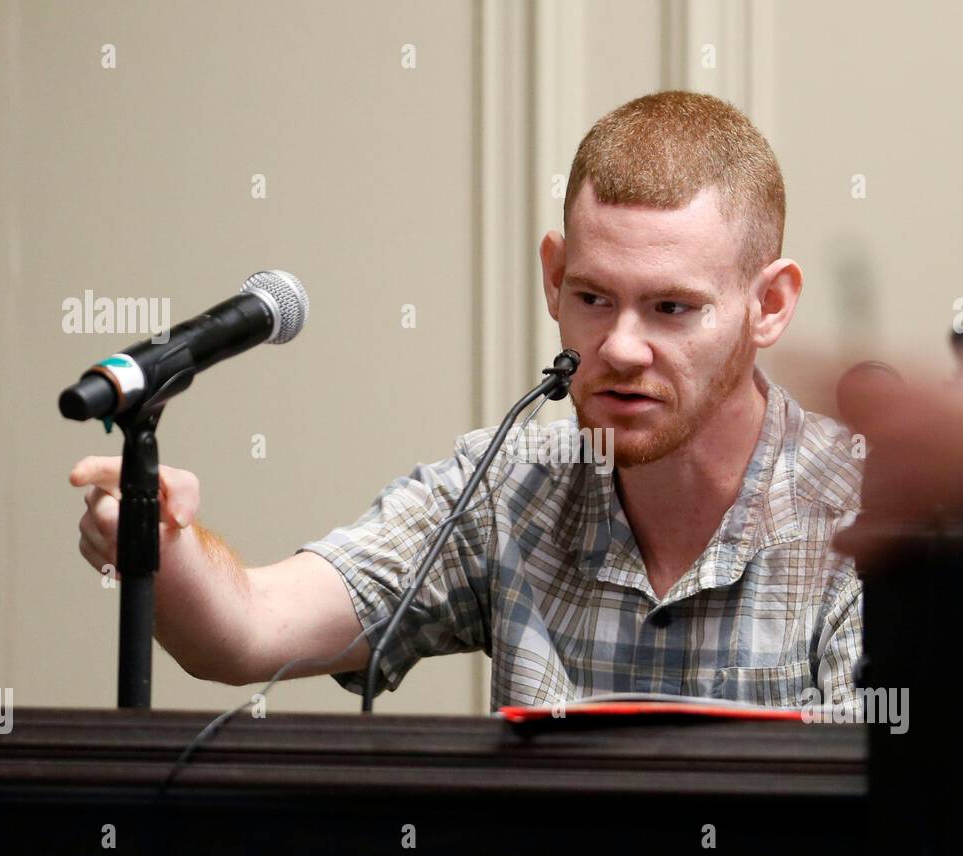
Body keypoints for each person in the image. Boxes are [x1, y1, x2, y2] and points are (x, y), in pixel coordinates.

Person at [70, 91, 864, 710]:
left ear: (769, 305)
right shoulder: (508, 485)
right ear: (552, 276)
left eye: (672, 308)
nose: (620, 346)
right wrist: (164, 543)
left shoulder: (867, 514)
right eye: (592, 297)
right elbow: (247, 633)